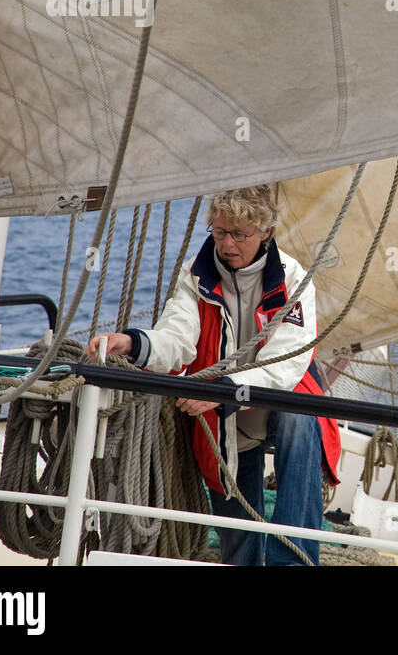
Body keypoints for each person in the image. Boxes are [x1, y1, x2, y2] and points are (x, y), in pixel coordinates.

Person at [87, 184, 340, 565]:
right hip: (219, 410)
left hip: (270, 394)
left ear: (265, 233)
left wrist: (228, 390)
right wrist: (134, 344)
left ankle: (294, 559)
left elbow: (287, 359)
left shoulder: (294, 280)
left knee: (299, 419)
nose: (228, 245)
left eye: (240, 234)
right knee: (238, 538)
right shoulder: (197, 275)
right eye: (220, 232)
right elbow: (178, 336)